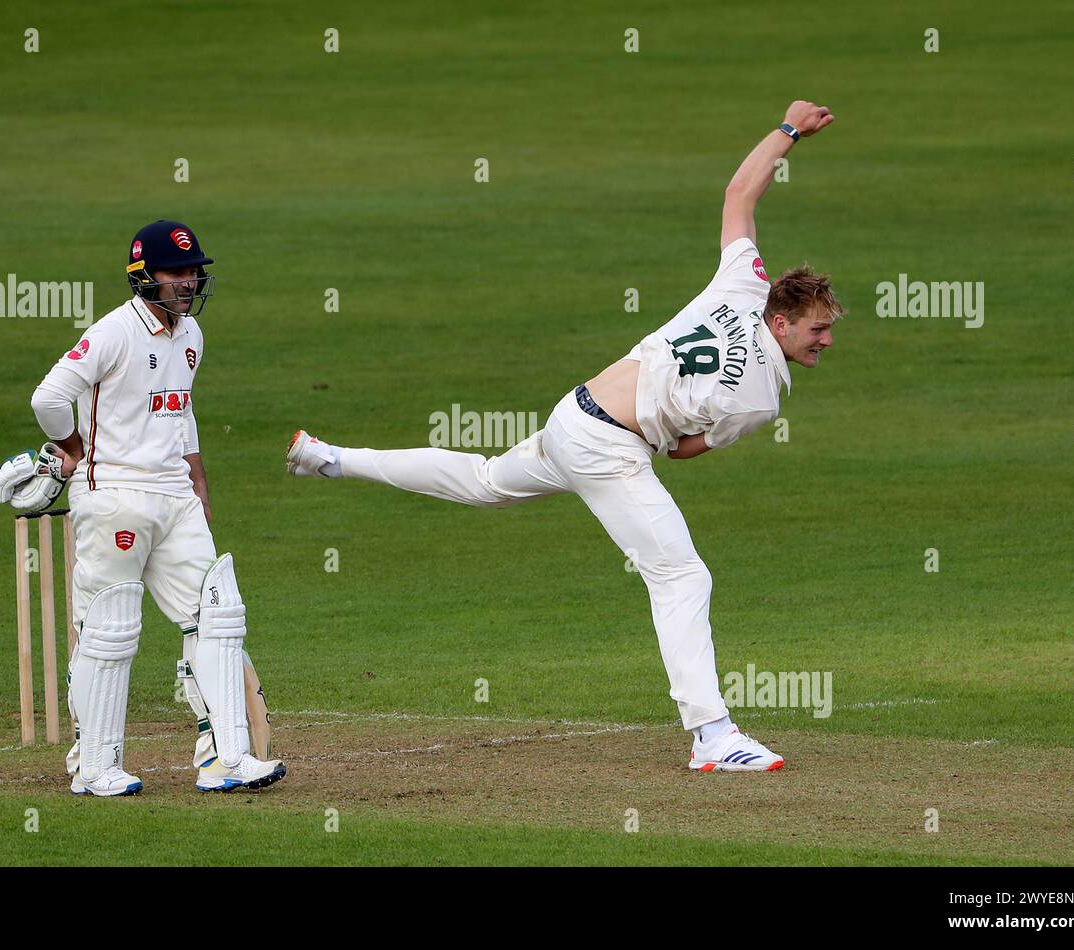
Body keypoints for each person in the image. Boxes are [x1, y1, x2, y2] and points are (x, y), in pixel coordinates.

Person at [285, 102, 843, 772]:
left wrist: (787, 130)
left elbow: (739, 192)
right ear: (781, 324)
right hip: (609, 448)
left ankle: (330, 458)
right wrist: (664, 432)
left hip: (574, 413)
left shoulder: (744, 282)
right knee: (681, 575)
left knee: (489, 481)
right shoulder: (762, 391)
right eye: (816, 330)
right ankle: (712, 737)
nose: (826, 341)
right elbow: (690, 450)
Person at [26, 220, 285, 795]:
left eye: (194, 271)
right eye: (177, 272)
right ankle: (95, 767)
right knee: (110, 628)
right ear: (144, 277)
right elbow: (48, 397)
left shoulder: (191, 334)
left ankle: (226, 758)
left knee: (218, 615)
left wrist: (198, 482)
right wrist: (72, 447)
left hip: (175, 499)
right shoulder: (113, 333)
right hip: (115, 495)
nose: (190, 281)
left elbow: (180, 410)